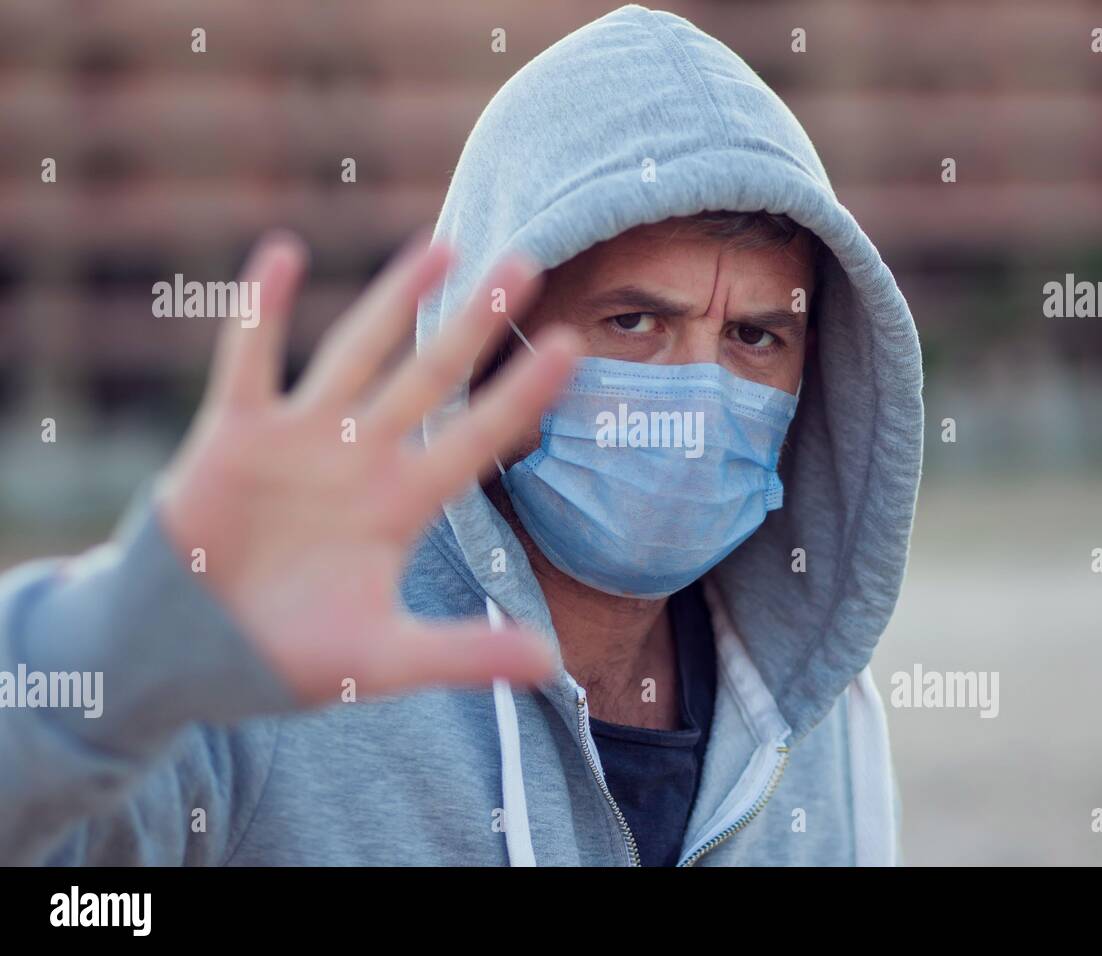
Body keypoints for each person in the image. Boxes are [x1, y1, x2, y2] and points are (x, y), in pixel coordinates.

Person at [0, 4, 922, 866]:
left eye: (754, 336)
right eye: (634, 324)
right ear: (490, 342)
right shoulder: (291, 648)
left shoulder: (809, 709)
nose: (694, 394)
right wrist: (117, 653)